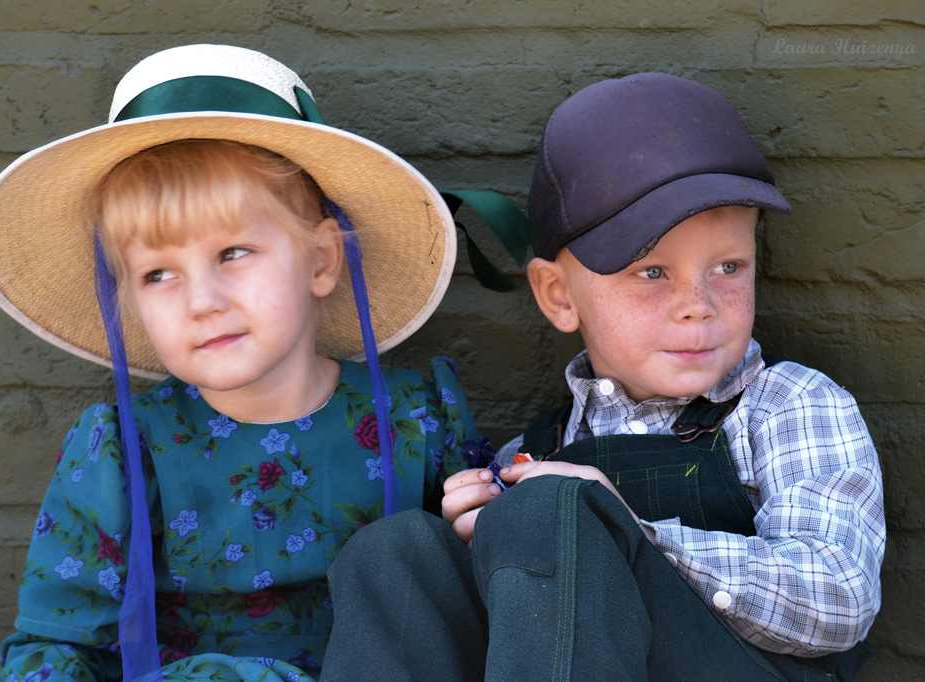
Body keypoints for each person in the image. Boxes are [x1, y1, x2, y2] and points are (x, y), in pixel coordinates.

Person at [319, 73, 885, 682]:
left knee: (554, 510)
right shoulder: (538, 451)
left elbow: (839, 597)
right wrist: (479, 544)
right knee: (395, 551)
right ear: (559, 296)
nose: (698, 303)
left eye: (728, 266)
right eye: (651, 273)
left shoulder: (788, 405)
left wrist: (623, 527)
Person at [0, 44, 489, 682]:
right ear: (129, 297)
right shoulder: (121, 451)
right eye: (158, 273)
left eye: (234, 253)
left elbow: (478, 610)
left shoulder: (418, 419)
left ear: (322, 260)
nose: (202, 302)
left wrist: (474, 538)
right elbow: (55, 648)